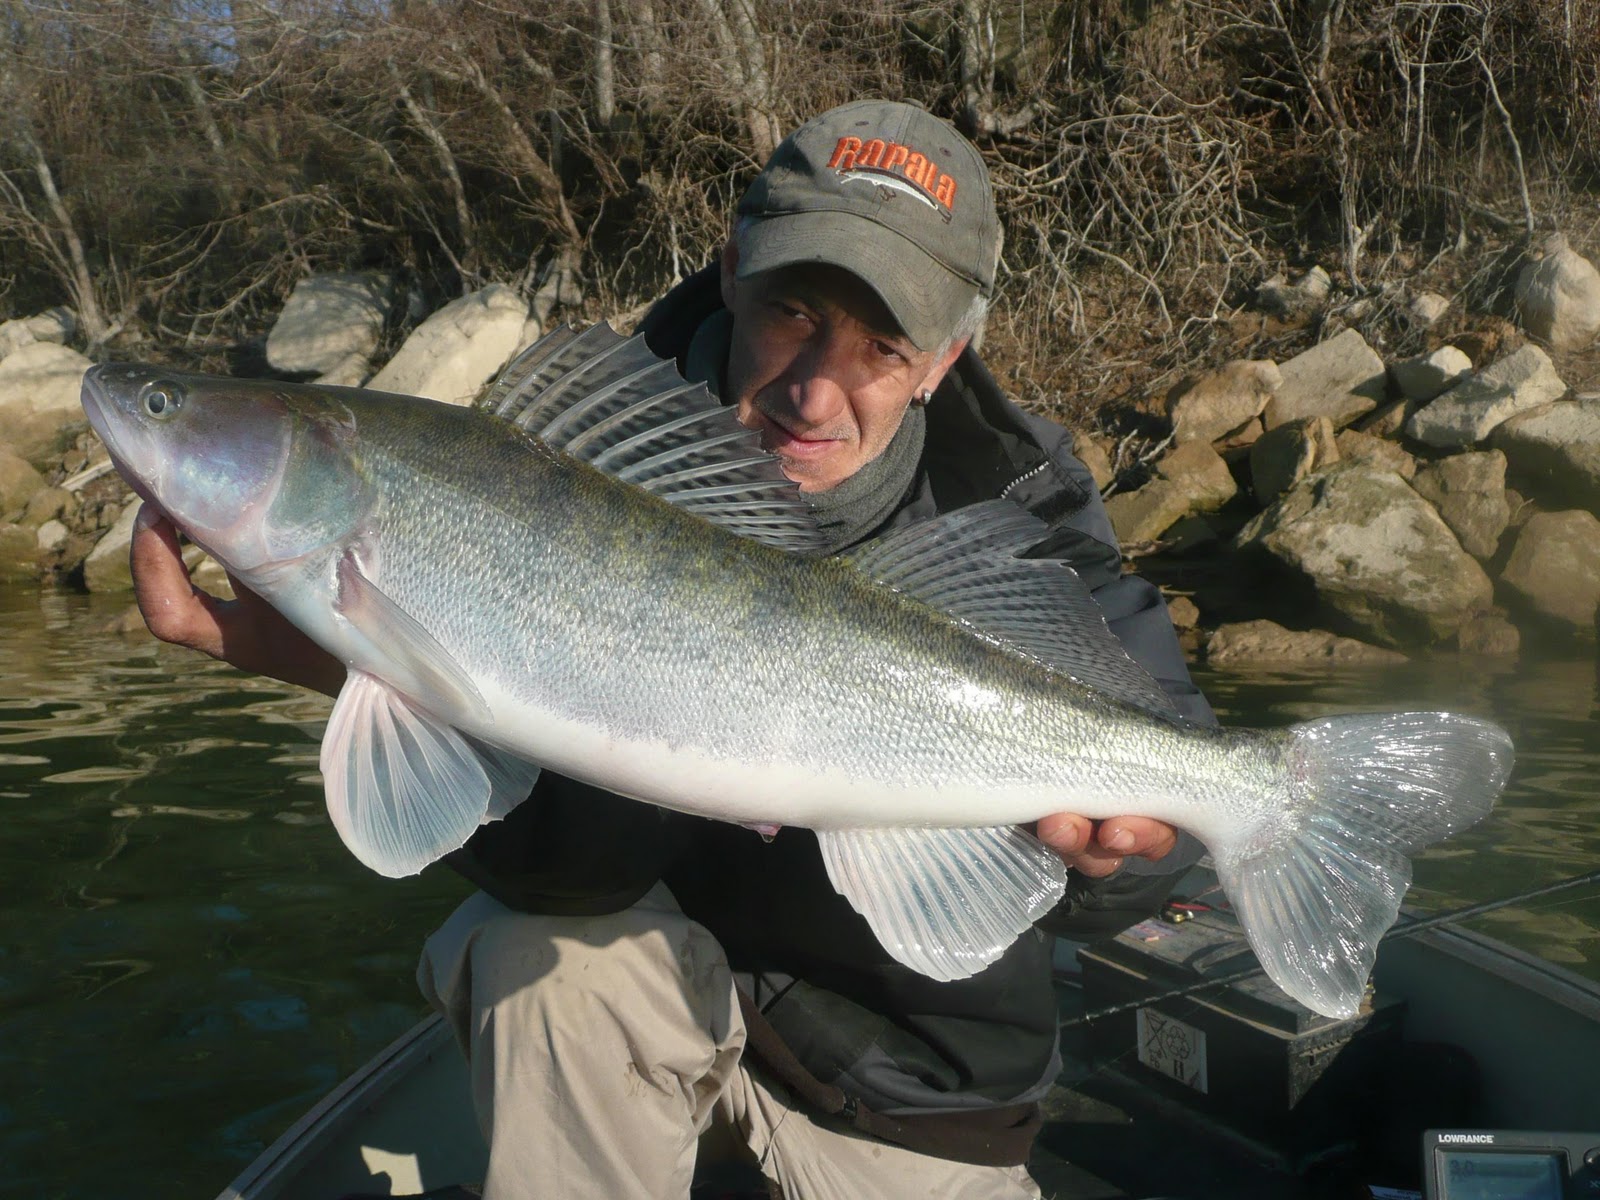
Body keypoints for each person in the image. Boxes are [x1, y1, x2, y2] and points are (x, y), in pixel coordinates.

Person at [131, 100, 1214, 1199]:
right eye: (793, 311)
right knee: (530, 959)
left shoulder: (1017, 521)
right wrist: (353, 662)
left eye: (881, 347)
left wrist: (1126, 854)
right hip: (638, 1027)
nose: (812, 392)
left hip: (909, 1099)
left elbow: (1174, 807)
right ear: (734, 269)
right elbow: (565, 876)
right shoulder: (573, 451)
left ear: (943, 359)